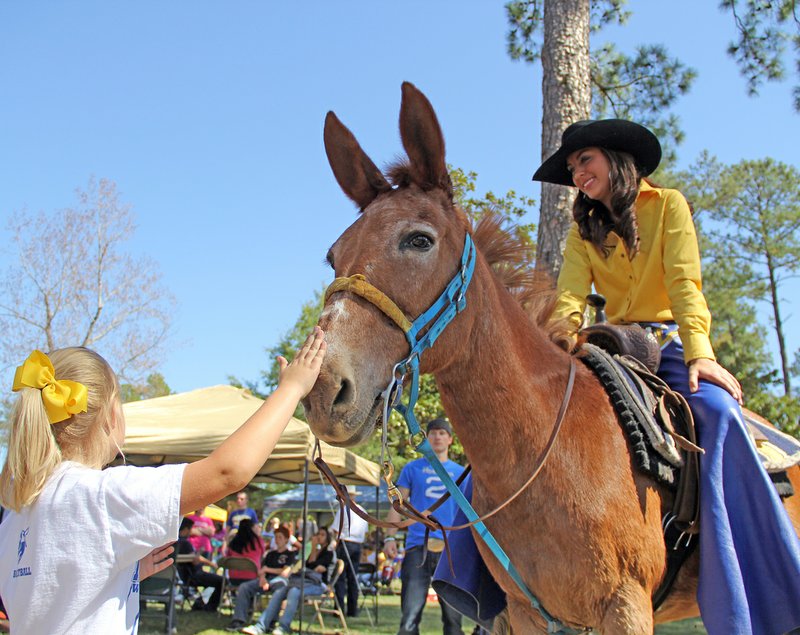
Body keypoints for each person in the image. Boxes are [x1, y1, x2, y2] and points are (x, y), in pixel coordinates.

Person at [531, 119, 800, 634]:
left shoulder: (669, 205)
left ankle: (746, 561)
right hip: (610, 342)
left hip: (665, 340)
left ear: (615, 158)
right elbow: (568, 296)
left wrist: (700, 354)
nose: (577, 172)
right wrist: (555, 347)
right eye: (570, 168)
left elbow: (684, 283)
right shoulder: (581, 229)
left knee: (719, 412)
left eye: (584, 159)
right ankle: (482, 578)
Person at [0, 327, 326, 634]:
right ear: (111, 415)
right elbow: (228, 472)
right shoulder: (102, 496)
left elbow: (42, 597)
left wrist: (119, 575)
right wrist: (291, 389)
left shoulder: (17, 511)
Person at [384, 418, 465, 635]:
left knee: (453, 619)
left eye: (442, 433)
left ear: (450, 439)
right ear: (426, 438)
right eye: (433, 433)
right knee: (409, 617)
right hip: (417, 547)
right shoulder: (412, 468)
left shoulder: (461, 473)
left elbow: (469, 513)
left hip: (450, 551)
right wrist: (389, 537)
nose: (437, 436)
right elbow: (398, 504)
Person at [241, 527, 334, 635]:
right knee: (280, 591)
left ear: (328, 538)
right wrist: (313, 549)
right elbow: (309, 565)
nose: (318, 537)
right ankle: (260, 626)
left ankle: (283, 627)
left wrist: (313, 549)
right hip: (302, 582)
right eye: (318, 534)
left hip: (319, 585)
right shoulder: (314, 552)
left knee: (294, 591)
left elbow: (316, 568)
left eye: (322, 535)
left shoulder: (329, 553)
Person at [225, 525, 297, 632]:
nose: (277, 540)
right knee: (244, 587)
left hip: (279, 580)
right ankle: (239, 619)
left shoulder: (290, 554)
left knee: (280, 589)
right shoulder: (270, 554)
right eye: (276, 537)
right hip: (265, 579)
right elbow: (261, 570)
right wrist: (263, 578)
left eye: (280, 537)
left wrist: (267, 570)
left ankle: (272, 620)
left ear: (287, 539)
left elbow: (285, 572)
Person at [330, 484, 369, 618]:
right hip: (357, 545)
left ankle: (339, 608)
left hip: (345, 543)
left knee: (341, 577)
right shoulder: (363, 511)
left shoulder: (343, 510)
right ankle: (353, 609)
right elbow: (365, 532)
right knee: (353, 577)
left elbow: (336, 529)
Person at [176, 517, 223, 611]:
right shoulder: (185, 543)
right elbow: (195, 559)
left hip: (185, 576)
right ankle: (210, 606)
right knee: (222, 581)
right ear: (186, 530)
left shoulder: (176, 542)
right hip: (194, 575)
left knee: (214, 580)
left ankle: (200, 602)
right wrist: (211, 564)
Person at [224, 518, 266, 583]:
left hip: (233, 578)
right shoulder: (258, 542)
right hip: (252, 579)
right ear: (252, 528)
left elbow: (227, 558)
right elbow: (262, 555)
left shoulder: (233, 542)